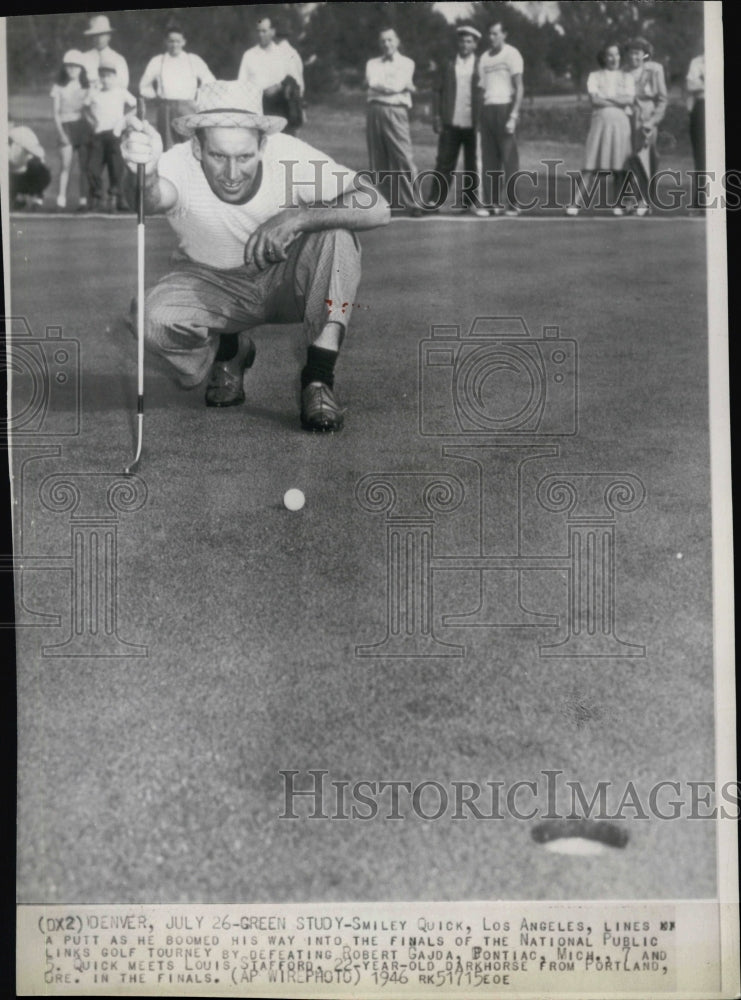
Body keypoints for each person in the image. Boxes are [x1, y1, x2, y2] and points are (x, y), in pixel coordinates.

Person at [119, 80, 390, 431]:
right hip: (210, 285)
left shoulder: (289, 153)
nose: (232, 174)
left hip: (285, 281)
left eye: (244, 156)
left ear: (263, 144)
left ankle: (318, 380)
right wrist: (146, 172)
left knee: (337, 236)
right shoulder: (177, 162)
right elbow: (154, 199)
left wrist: (299, 217)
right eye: (218, 156)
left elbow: (379, 207)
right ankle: (229, 351)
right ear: (198, 148)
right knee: (149, 319)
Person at [566, 43, 635, 217]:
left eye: (617, 55)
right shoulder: (594, 76)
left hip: (621, 123)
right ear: (604, 58)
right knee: (590, 164)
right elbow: (595, 101)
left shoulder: (627, 77)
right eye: (610, 55)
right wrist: (616, 100)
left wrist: (607, 98)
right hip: (600, 123)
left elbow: (629, 99)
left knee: (620, 165)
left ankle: (618, 204)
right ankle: (575, 203)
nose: (614, 59)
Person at [429, 23, 486, 215]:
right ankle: (434, 201)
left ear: (475, 45)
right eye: (461, 41)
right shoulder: (448, 64)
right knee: (444, 162)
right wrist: (436, 116)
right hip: (451, 122)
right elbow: (437, 91)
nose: (464, 45)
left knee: (472, 163)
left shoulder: (481, 65)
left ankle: (468, 202)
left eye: (469, 41)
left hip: (474, 123)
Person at [365, 27, 420, 215]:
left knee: (403, 156)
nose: (386, 44)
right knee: (378, 158)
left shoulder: (407, 63)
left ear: (397, 42)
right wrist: (400, 86)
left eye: (390, 40)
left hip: (396, 111)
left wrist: (396, 86)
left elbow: (396, 85)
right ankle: (384, 204)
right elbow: (373, 82)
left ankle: (413, 203)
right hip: (375, 110)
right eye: (383, 41)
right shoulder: (372, 63)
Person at [139, 24, 215, 151]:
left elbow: (210, 81)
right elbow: (144, 86)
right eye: (171, 41)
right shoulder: (158, 61)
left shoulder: (193, 60)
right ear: (165, 42)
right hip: (166, 109)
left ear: (184, 42)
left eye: (178, 41)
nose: (174, 45)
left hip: (188, 108)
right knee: (168, 147)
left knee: (191, 146)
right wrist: (156, 97)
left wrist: (199, 100)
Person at [476, 22, 524, 216]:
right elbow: (482, 88)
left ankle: (513, 204)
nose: (492, 37)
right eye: (490, 34)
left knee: (508, 158)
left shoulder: (512, 54)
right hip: (488, 109)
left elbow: (519, 86)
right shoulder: (484, 58)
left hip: (505, 108)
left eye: (496, 34)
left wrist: (514, 115)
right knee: (489, 160)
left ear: (504, 34)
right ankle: (492, 204)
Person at [83, 61, 136, 212]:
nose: (106, 80)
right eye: (103, 77)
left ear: (115, 77)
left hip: (115, 134)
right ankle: (97, 197)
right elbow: (85, 109)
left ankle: (116, 198)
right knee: (92, 168)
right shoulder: (94, 92)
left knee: (116, 168)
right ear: (99, 78)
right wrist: (92, 122)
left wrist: (125, 121)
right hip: (98, 135)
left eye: (109, 76)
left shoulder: (121, 92)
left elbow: (136, 106)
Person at [238, 16, 305, 135]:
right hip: (257, 108)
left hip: (280, 109)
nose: (260, 35)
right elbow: (241, 84)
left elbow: (296, 81)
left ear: (273, 32)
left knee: (282, 147)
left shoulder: (284, 54)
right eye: (258, 31)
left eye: (264, 31)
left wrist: (280, 86)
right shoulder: (249, 55)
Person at [624, 37, 667, 215]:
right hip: (627, 120)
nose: (634, 57)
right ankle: (629, 199)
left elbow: (662, 100)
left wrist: (652, 121)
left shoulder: (654, 70)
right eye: (631, 53)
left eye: (638, 53)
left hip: (646, 120)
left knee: (645, 160)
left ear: (644, 54)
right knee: (627, 161)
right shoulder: (623, 72)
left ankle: (644, 201)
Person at [50, 49, 91, 210]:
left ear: (81, 68)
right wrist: (61, 133)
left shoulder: (87, 86)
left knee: (83, 166)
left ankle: (83, 200)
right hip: (65, 126)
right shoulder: (58, 87)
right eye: (69, 66)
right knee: (65, 166)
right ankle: (61, 199)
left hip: (82, 126)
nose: (72, 70)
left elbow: (89, 108)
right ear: (64, 68)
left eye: (76, 66)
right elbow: (55, 113)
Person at [80, 14, 129, 90]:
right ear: (91, 37)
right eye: (95, 35)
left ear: (109, 36)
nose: (99, 39)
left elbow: (123, 85)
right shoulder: (83, 58)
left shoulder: (118, 59)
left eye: (102, 35)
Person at [9, 125, 51, 210]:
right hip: (12, 175)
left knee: (35, 165)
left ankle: (37, 195)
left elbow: (41, 153)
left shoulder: (21, 133)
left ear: (11, 123)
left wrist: (24, 145)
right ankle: (18, 197)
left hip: (25, 173)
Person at [685, 52, 705, 211]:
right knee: (701, 155)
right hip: (702, 107)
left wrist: (704, 80)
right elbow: (691, 85)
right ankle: (701, 201)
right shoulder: (697, 61)